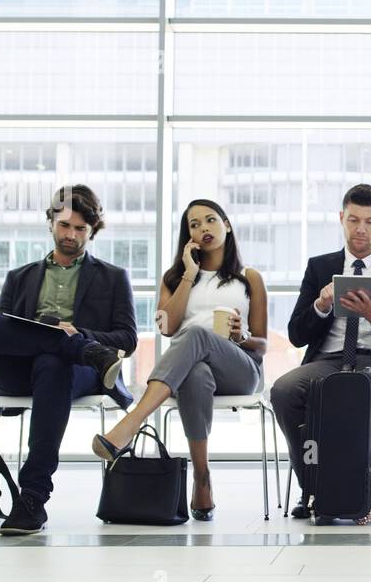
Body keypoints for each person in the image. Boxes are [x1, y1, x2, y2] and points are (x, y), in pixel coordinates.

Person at [0, 184, 136, 535]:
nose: (71, 235)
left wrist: (77, 332)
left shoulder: (113, 278)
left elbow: (127, 340)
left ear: (92, 231)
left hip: (80, 371)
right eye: (64, 225)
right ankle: (76, 346)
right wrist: (62, 340)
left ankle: (32, 498)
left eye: (80, 228)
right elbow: (2, 334)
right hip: (20, 370)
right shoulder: (19, 277)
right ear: (51, 222)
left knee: (52, 363)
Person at [92, 200, 267, 521]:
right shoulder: (175, 277)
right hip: (190, 369)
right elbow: (167, 328)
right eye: (194, 225)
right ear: (188, 237)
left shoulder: (249, 277)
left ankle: (133, 420)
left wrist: (241, 335)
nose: (204, 228)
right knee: (196, 372)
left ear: (227, 225)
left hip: (240, 367)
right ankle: (202, 477)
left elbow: (262, 344)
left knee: (196, 334)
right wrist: (189, 274)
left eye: (211, 220)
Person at [270, 184, 371, 521]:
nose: (361, 229)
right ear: (341, 218)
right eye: (354, 220)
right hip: (329, 360)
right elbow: (296, 334)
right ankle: (313, 485)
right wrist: (321, 305)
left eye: (370, 222)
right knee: (283, 390)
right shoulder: (319, 267)